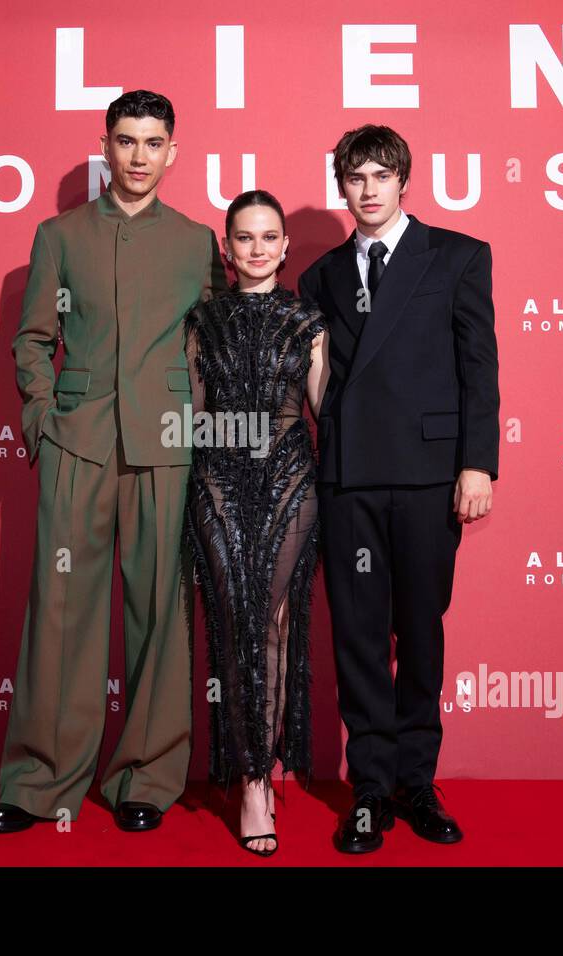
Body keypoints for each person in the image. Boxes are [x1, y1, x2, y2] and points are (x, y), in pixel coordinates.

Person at [0, 90, 228, 834]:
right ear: (106, 146)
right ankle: (35, 782)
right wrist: (42, 420)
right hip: (78, 445)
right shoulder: (58, 234)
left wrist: (206, 430)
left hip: (166, 447)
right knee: (59, 615)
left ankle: (146, 778)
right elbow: (31, 341)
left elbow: (210, 345)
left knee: (161, 612)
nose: (140, 156)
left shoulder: (196, 242)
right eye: (126, 141)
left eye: (154, 143)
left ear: (172, 152)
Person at [297, 125, 500, 854]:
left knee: (419, 629)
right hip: (350, 473)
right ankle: (371, 788)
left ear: (404, 181)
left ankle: (418, 780)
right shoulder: (319, 277)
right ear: (342, 187)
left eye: (383, 175)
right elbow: (320, 382)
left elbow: (480, 368)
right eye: (356, 178)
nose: (370, 189)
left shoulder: (456, 256)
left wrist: (478, 463)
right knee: (356, 634)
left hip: (427, 474)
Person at [182, 190, 328, 856]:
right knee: (236, 622)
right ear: (228, 245)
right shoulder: (202, 322)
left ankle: (262, 777)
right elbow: (195, 417)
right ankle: (247, 781)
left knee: (273, 624)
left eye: (270, 237)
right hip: (218, 481)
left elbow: (327, 412)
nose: (259, 248)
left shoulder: (310, 320)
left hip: (292, 481)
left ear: (285, 246)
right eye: (245, 238)